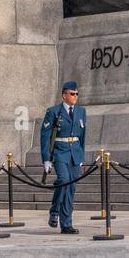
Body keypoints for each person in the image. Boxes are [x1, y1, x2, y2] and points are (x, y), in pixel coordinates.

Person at [40, 82, 87, 234]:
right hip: (60, 152)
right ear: (64, 95)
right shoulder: (53, 111)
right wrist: (46, 158)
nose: (75, 97)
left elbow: (82, 136)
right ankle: (54, 211)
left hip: (75, 153)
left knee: (71, 187)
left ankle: (66, 224)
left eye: (76, 94)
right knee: (64, 180)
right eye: (72, 94)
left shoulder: (81, 111)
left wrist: (81, 157)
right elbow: (45, 136)